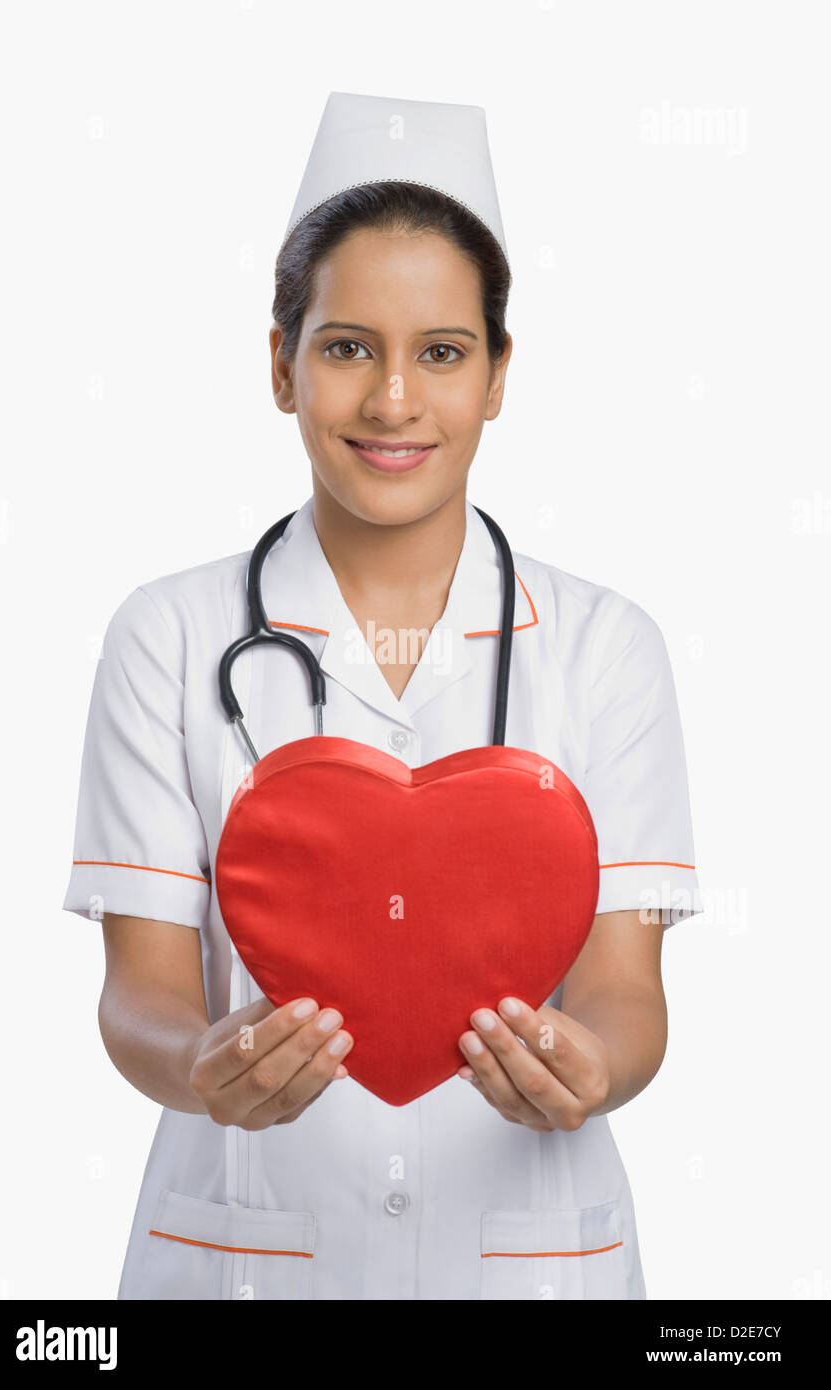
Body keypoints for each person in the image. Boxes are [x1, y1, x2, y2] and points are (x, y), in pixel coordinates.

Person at [62, 92, 701, 1300]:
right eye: (348, 345)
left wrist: (591, 1064)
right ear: (281, 364)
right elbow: (139, 991)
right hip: (243, 1259)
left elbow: (627, 994)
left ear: (499, 375)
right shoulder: (171, 634)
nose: (394, 399)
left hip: (523, 1265)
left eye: (443, 352)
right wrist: (205, 1063)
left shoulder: (609, 647)